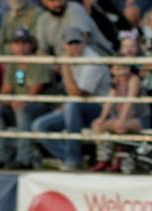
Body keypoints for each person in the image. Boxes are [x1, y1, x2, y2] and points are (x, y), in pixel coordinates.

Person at [31, 27, 111, 169]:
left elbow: (76, 93)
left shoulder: (93, 61)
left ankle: (73, 160)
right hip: (76, 107)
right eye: (70, 43)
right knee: (39, 126)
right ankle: (73, 158)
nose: (74, 46)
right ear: (64, 45)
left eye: (77, 42)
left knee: (72, 105)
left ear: (84, 42)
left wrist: (65, 64)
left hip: (100, 109)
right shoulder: (71, 58)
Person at [0, 28, 52, 168]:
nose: (20, 47)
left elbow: (34, 91)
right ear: (11, 46)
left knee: (23, 108)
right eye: (16, 43)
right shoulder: (13, 64)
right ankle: (2, 157)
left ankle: (24, 159)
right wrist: (7, 100)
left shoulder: (38, 62)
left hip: (41, 106)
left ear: (31, 45)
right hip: (17, 104)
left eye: (24, 43)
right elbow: (6, 90)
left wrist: (15, 100)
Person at [89, 62, 151, 170]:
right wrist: (101, 118)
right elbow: (109, 102)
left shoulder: (134, 80)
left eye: (124, 68)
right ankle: (104, 159)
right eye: (117, 69)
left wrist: (121, 120)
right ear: (112, 71)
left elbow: (129, 101)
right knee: (97, 125)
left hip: (138, 119)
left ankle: (120, 159)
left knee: (120, 126)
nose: (121, 72)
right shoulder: (114, 82)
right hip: (119, 119)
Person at [35, 0, 112, 54]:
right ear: (44, 2)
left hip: (94, 56)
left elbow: (81, 42)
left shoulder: (74, 8)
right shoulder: (43, 18)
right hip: (66, 62)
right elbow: (41, 50)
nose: (57, 4)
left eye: (60, 0)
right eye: (52, 1)